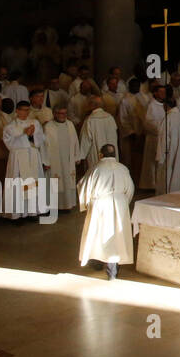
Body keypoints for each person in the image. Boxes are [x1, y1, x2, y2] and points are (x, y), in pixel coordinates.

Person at [77, 144, 135, 279]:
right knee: (116, 237)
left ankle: (97, 262)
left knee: (98, 235)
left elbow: (83, 186)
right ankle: (113, 269)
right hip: (120, 203)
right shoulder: (123, 168)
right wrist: (123, 202)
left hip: (100, 205)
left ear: (100, 155)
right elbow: (130, 188)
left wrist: (86, 204)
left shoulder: (96, 169)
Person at [3, 100, 46, 219]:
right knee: (18, 184)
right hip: (18, 157)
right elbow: (9, 144)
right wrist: (24, 134)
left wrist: (32, 135)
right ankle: (17, 214)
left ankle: (33, 211)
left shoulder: (34, 123)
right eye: (23, 110)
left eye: (28, 110)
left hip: (32, 155)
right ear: (17, 111)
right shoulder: (10, 127)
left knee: (34, 183)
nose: (26, 113)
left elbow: (41, 139)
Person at [151, 88, 180, 194]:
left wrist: (160, 156)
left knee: (169, 174)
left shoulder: (168, 119)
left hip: (170, 152)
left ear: (165, 106)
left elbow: (164, 140)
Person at [42, 104, 82, 212]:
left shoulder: (70, 124)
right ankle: (55, 206)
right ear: (54, 114)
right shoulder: (48, 126)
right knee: (56, 183)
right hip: (54, 160)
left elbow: (75, 141)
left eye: (64, 113)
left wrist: (77, 155)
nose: (62, 115)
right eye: (60, 113)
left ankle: (67, 205)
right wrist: (45, 161)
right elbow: (44, 145)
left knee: (68, 181)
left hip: (68, 159)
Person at [81, 95, 120, 167]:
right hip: (112, 154)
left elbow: (85, 141)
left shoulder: (89, 120)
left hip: (97, 156)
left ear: (92, 105)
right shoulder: (110, 117)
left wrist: (81, 156)